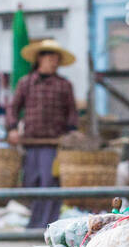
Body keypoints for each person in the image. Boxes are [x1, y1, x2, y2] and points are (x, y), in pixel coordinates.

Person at [6, 38, 78, 231]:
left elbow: (72, 112)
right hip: (30, 142)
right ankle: (37, 222)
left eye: (56, 59)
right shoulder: (26, 83)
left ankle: (46, 226)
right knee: (31, 182)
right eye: (50, 58)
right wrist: (12, 127)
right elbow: (13, 107)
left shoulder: (64, 85)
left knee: (49, 182)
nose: (53, 62)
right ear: (40, 59)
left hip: (53, 143)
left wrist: (71, 133)